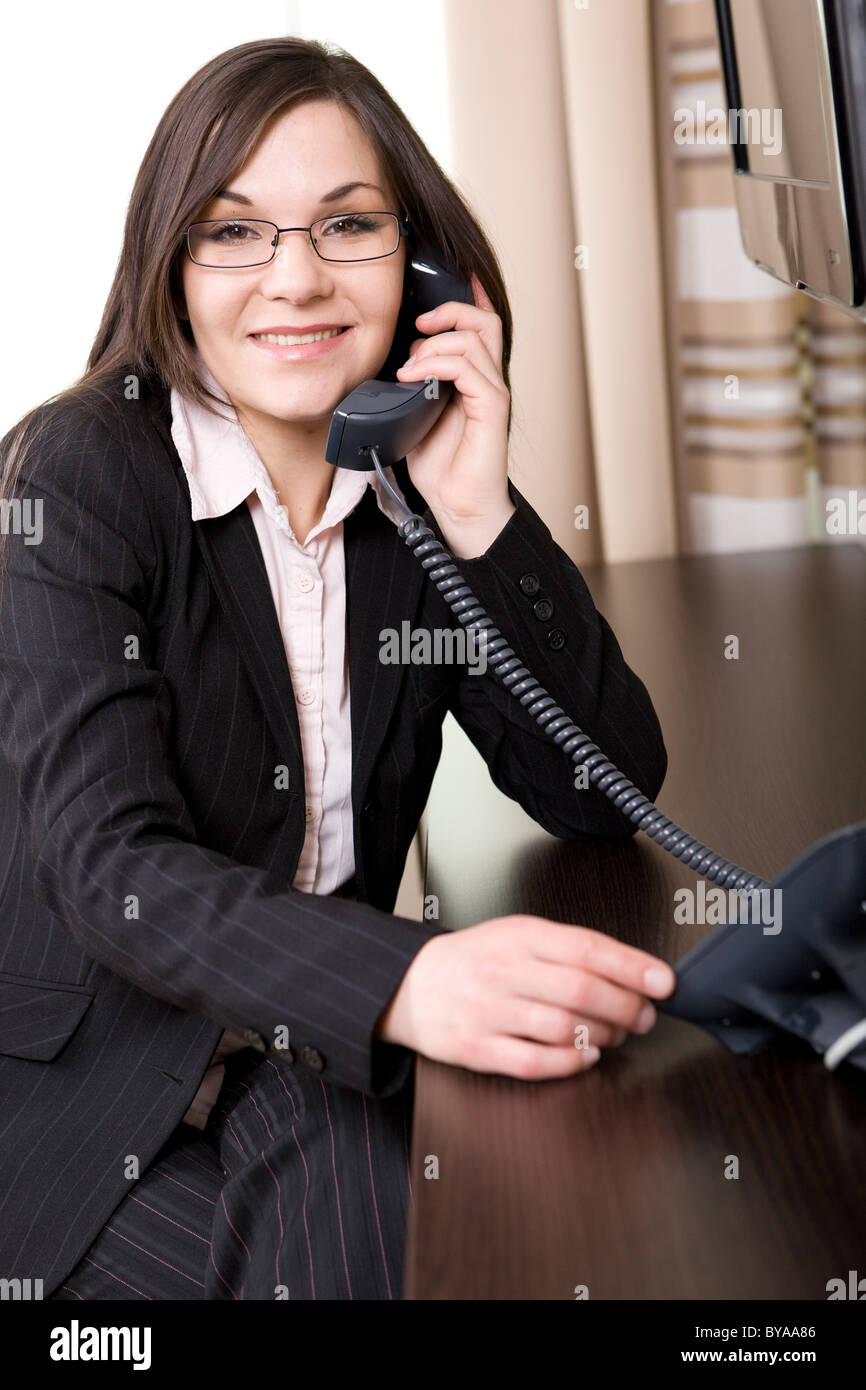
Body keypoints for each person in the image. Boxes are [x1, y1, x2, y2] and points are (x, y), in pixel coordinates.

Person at [0, 36, 675, 1302]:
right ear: (173, 263)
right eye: (235, 232)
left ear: (417, 265)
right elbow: (110, 867)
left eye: (346, 226)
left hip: (302, 1056)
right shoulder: (80, 477)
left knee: (404, 1235)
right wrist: (407, 975)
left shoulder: (407, 488)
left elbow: (600, 787)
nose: (296, 279)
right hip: (88, 1093)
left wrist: (477, 516)